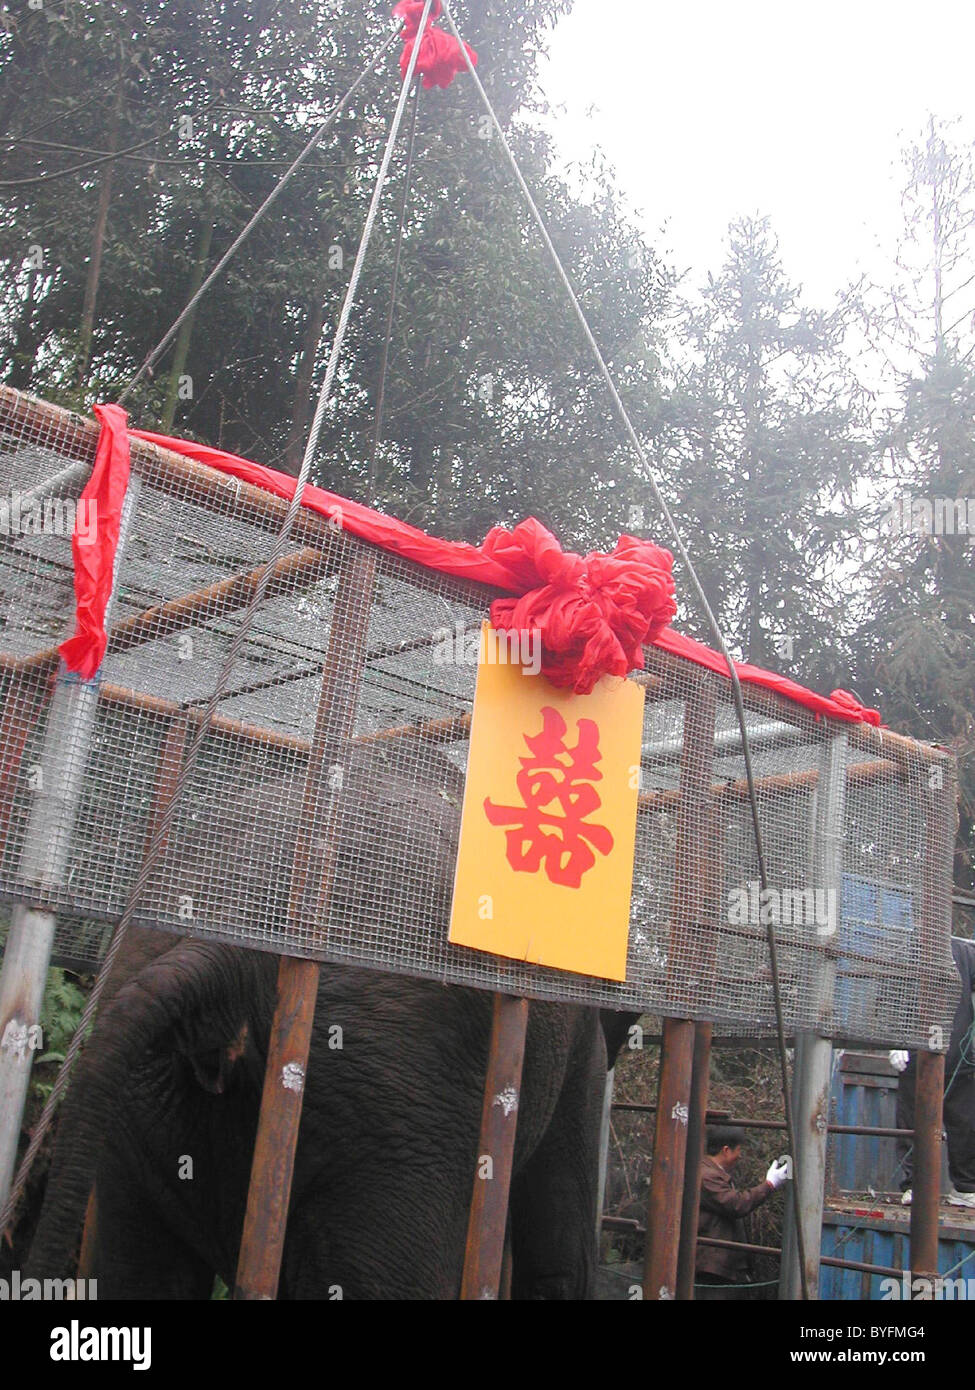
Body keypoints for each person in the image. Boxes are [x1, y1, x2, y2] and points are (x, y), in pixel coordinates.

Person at [892, 936, 975, 1208]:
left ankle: (965, 1187)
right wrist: (894, 1043)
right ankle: (914, 1185)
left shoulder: (963, 952)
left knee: (965, 1123)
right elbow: (892, 1000)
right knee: (912, 1120)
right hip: (917, 1054)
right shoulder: (908, 950)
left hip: (958, 1054)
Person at [695, 1123, 790, 1300]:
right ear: (726, 1150)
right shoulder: (706, 1176)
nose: (740, 1156)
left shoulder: (712, 1172)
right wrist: (769, 1185)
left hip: (718, 1265)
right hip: (711, 1266)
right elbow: (736, 1204)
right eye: (738, 1150)